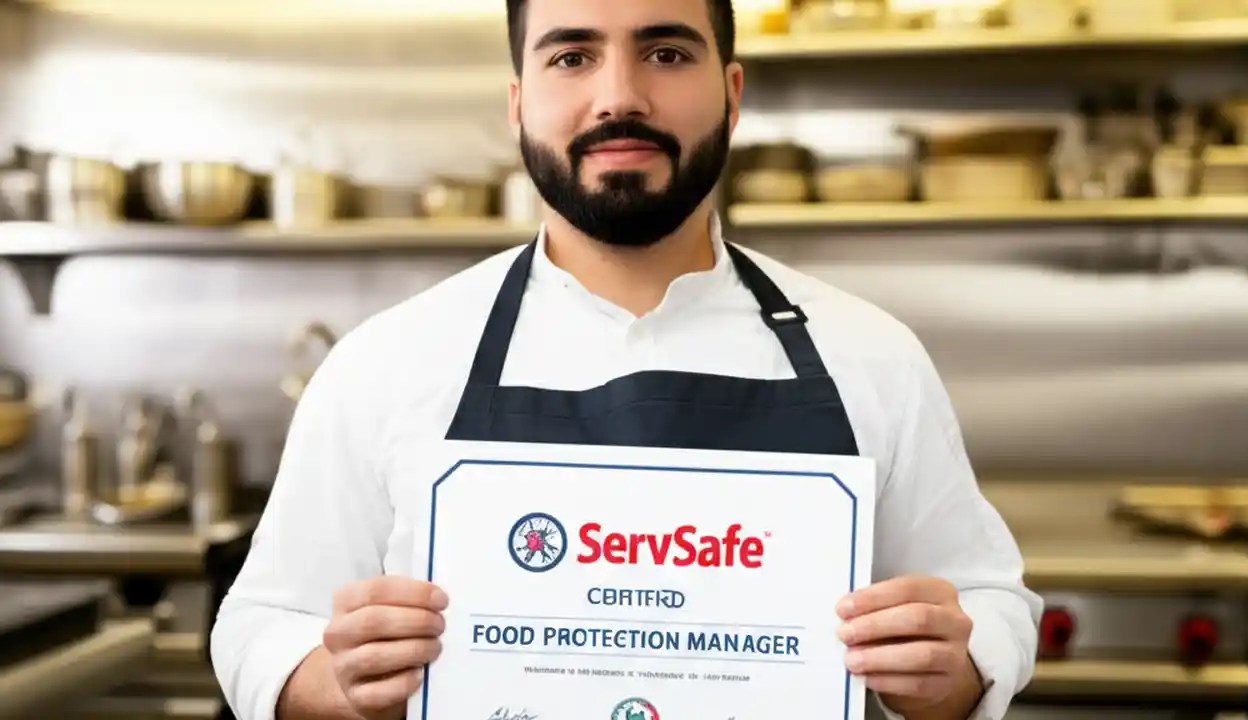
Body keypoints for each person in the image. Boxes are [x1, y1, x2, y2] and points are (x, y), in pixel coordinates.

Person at [210, 0, 1043, 718]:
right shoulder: (387, 361)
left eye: (666, 52)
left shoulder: (874, 355)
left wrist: (952, 672)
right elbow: (259, 627)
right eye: (572, 57)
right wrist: (338, 682)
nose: (620, 96)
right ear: (518, 102)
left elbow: (992, 601)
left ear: (732, 93)